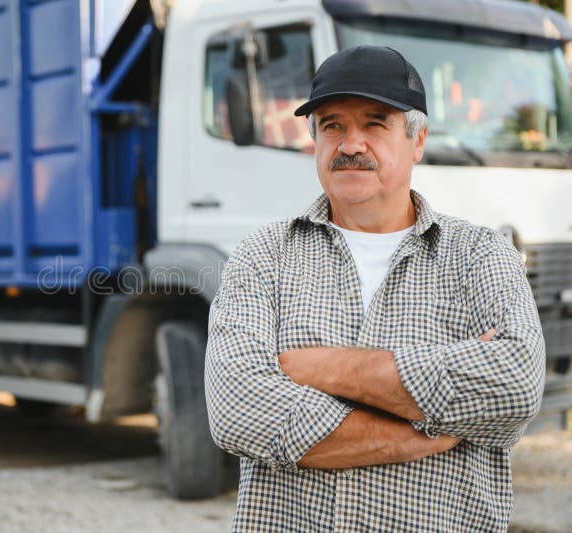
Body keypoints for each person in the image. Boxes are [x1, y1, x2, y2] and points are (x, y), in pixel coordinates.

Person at [204, 45, 545, 532]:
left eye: (375, 123)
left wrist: (322, 369)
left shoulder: (480, 256)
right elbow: (238, 410)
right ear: (316, 141)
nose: (350, 144)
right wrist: (424, 431)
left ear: (418, 139)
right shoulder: (263, 256)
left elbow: (515, 386)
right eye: (332, 125)